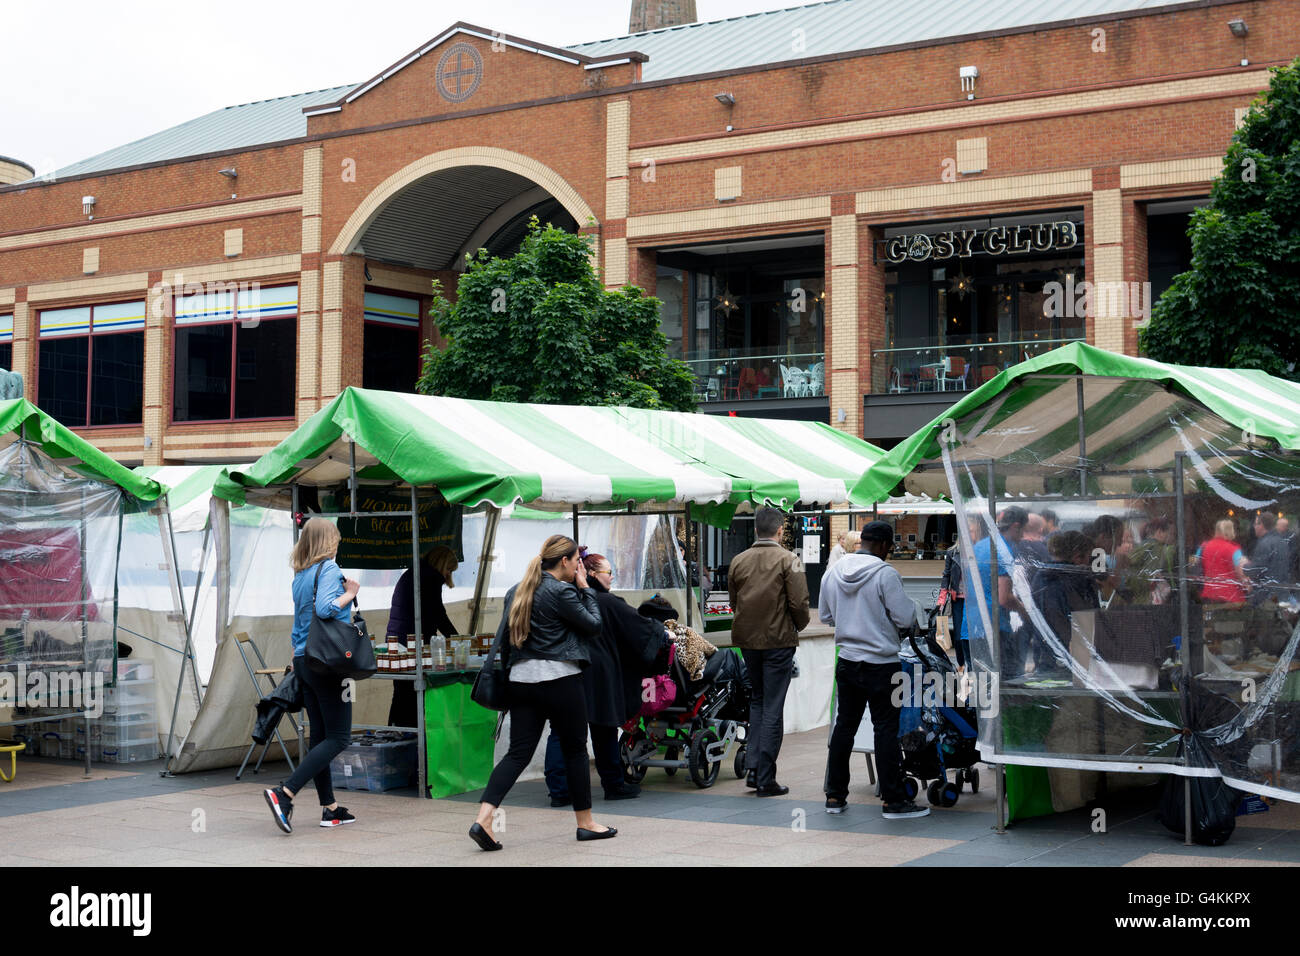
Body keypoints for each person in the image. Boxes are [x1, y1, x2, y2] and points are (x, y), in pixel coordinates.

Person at [469, 535, 615, 850]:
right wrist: (586, 589)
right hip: (560, 679)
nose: (580, 566)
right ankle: (586, 823)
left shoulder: (516, 590)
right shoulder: (562, 590)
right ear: (564, 561)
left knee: (517, 753)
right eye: (577, 560)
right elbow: (593, 625)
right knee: (575, 750)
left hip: (522, 682)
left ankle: (484, 818)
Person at [819, 521, 929, 819]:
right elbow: (905, 617)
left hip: (848, 660)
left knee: (845, 727)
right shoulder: (885, 574)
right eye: (889, 548)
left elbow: (826, 616)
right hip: (882, 664)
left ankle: (834, 796)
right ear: (882, 545)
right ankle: (893, 801)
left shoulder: (833, 572)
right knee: (885, 729)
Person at [263, 517, 360, 834]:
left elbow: (299, 624)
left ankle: (331, 809)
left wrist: (296, 658)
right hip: (328, 662)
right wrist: (351, 593)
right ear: (327, 541)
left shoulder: (301, 575)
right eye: (336, 537)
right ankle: (285, 793)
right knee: (339, 737)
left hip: (306, 660)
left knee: (320, 736)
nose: (339, 541)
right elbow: (325, 609)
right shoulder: (330, 569)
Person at [543, 550, 660, 805]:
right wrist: (664, 632)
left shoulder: (560, 597)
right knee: (604, 727)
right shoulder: (605, 601)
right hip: (598, 673)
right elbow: (640, 626)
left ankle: (560, 790)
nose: (612, 576)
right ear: (591, 573)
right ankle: (613, 784)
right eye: (609, 572)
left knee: (561, 731)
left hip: (565, 670)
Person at [728, 507, 810, 796]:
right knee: (773, 707)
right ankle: (765, 776)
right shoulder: (790, 560)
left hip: (748, 640)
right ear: (779, 531)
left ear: (754, 531)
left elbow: (733, 600)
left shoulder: (738, 560)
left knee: (758, 702)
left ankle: (754, 768)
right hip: (778, 641)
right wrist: (797, 626)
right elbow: (800, 604)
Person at [385, 545, 459, 731]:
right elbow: (438, 614)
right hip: (412, 644)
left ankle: (395, 736)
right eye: (449, 569)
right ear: (441, 563)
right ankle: (411, 741)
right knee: (412, 696)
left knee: (401, 693)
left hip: (396, 642)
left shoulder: (414, 572)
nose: (448, 574)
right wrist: (458, 640)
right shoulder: (431, 577)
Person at [962, 507, 1029, 679]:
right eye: (1023, 529)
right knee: (1003, 686)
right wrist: (1025, 611)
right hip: (993, 627)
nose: (1023, 535)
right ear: (1015, 526)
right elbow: (1004, 598)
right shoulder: (1003, 550)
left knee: (981, 686)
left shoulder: (980, 546)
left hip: (971, 625)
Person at [1028, 530, 1100, 676]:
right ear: (1078, 557)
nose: (1090, 564)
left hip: (1044, 653)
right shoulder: (1077, 580)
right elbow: (1088, 619)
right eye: (1088, 558)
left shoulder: (1041, 575)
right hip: (1074, 656)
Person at [1194, 519, 1251, 606]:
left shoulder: (1203, 547)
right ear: (1231, 531)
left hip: (1209, 594)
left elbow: (1196, 563)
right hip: (1231, 597)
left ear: (1216, 531)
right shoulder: (1234, 550)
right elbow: (1241, 573)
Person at [1129, 517, 1175, 605]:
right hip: (1152, 601)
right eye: (1171, 534)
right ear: (1159, 532)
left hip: (1139, 599)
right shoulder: (1158, 549)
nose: (1173, 538)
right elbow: (1152, 577)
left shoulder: (1141, 547)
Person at [1249, 511, 1289, 605]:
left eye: (1255, 524)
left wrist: (1245, 566)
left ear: (1261, 525)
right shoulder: (1281, 541)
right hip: (1280, 593)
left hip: (1265, 596)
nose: (1254, 527)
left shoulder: (1264, 543)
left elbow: (1258, 570)